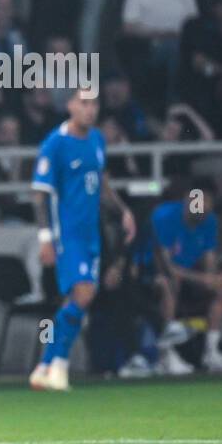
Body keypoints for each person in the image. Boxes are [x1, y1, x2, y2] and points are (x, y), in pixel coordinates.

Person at [30, 87, 137, 392]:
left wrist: (123, 211)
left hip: (91, 234)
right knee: (85, 294)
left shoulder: (97, 140)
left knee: (78, 300)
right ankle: (59, 365)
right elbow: (39, 194)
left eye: (95, 103)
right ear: (70, 106)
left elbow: (101, 184)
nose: (90, 109)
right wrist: (45, 238)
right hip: (68, 235)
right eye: (84, 103)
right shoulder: (55, 144)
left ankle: (44, 367)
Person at [150, 182, 222, 373]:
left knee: (219, 287)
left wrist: (216, 278)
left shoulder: (210, 221)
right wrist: (205, 279)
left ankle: (211, 352)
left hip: (189, 277)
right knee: (169, 283)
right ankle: (166, 355)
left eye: (208, 201)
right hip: (153, 274)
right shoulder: (164, 216)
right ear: (188, 199)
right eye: (199, 199)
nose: (203, 205)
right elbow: (166, 267)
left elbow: (209, 259)